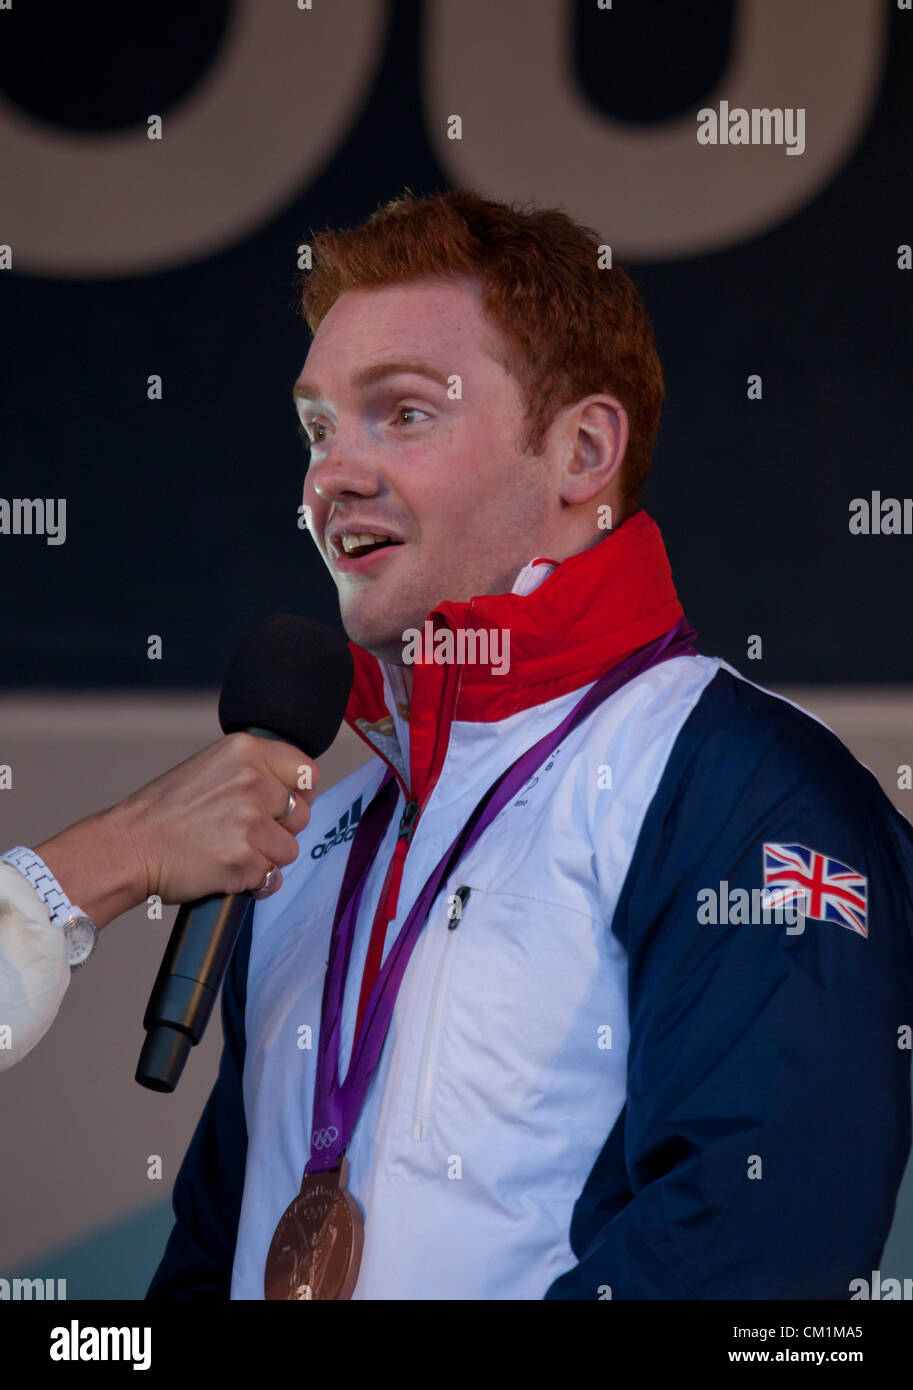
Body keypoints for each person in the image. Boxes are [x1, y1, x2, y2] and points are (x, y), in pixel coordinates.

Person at [7, 187, 913, 1300]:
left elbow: (765, 1252)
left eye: (403, 413)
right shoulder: (304, 844)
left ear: (581, 450)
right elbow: (205, 1266)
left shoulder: (742, 781)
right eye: (317, 427)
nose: (329, 475)